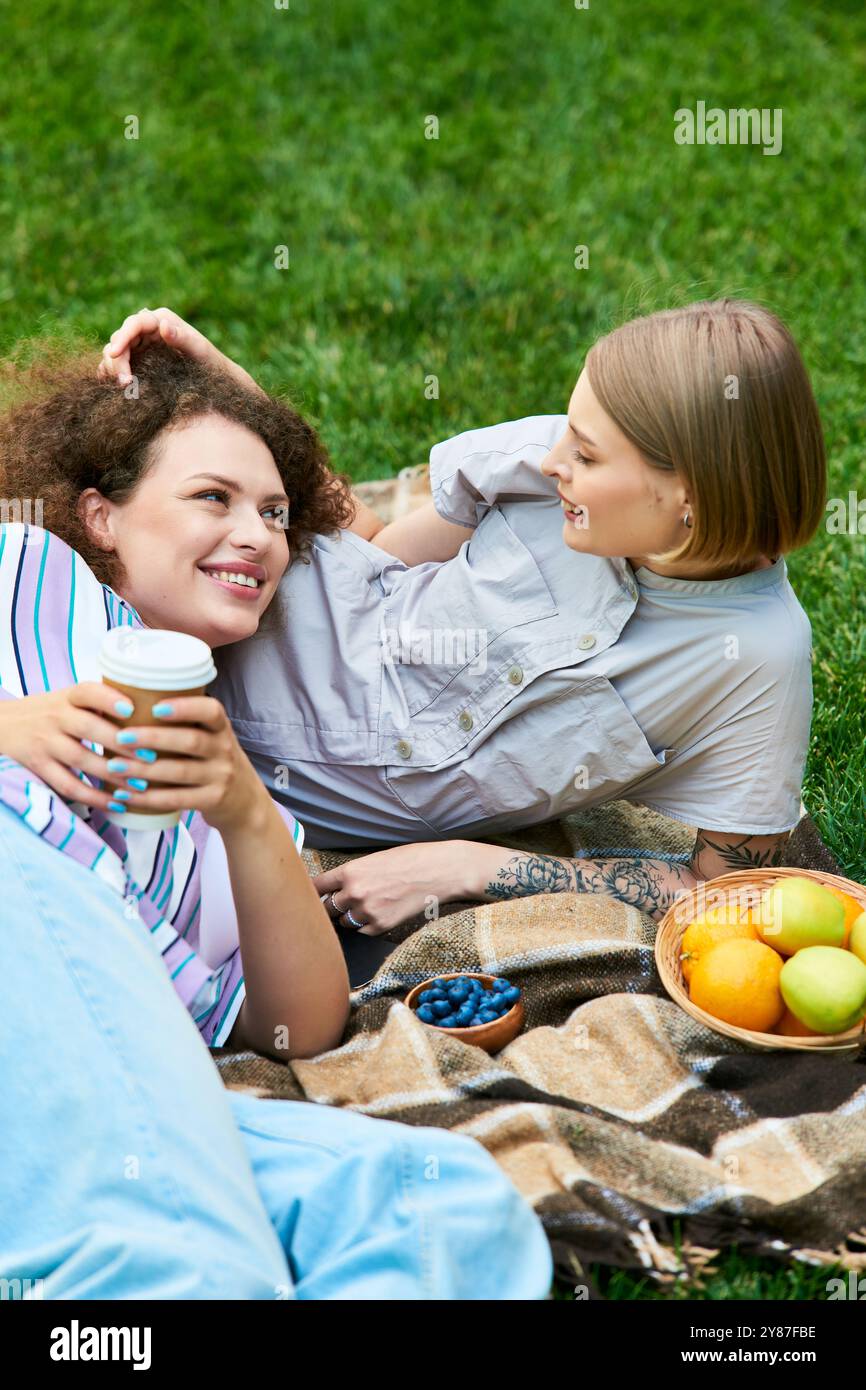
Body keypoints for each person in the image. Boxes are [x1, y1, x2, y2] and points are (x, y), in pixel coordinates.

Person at [0, 344, 553, 1299]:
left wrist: (248, 816)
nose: (254, 534)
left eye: (275, 514)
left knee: (447, 1212)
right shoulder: (26, 573)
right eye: (212, 497)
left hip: (117, 1076)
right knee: (180, 1263)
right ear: (102, 516)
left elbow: (298, 1027)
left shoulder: (240, 790)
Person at [101, 300, 824, 931]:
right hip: (216, 601)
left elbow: (723, 893)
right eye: (566, 431)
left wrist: (463, 868)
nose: (551, 461)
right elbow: (374, 547)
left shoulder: (756, 659)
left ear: (688, 497)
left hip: (237, 776)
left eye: (588, 453)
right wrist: (231, 389)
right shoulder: (543, 476)